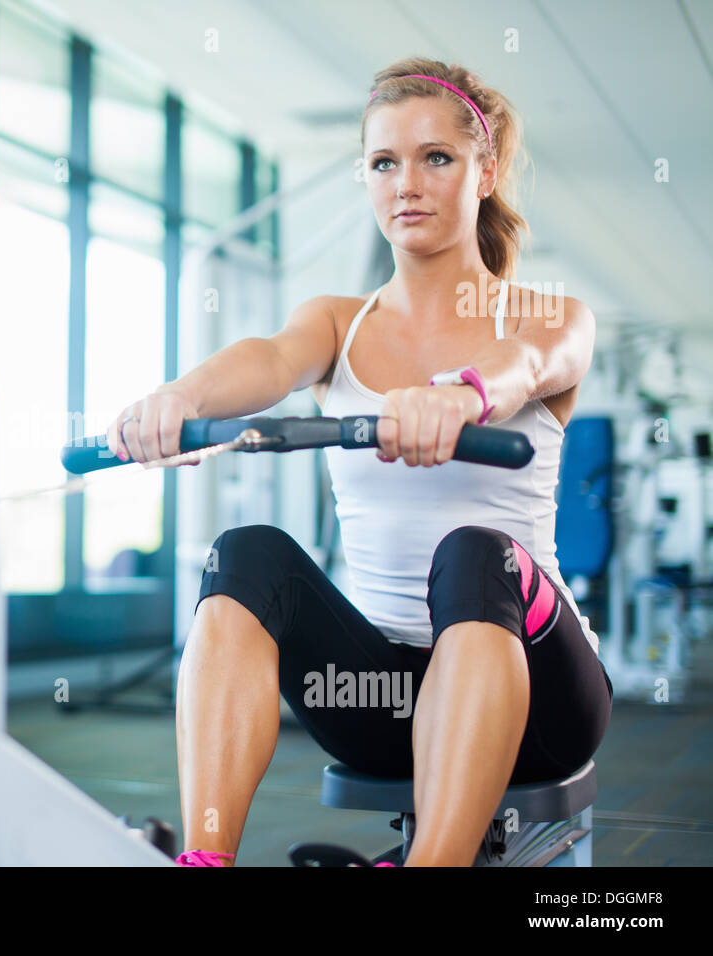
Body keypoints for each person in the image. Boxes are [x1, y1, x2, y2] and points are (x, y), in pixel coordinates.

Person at [105, 57, 612, 867]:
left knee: (475, 553)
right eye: (385, 162)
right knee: (246, 555)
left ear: (484, 173)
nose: (406, 182)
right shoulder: (337, 323)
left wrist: (464, 397)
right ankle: (205, 861)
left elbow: (527, 366)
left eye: (436, 158)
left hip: (538, 709)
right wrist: (181, 397)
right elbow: (269, 359)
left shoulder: (551, 317)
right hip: (382, 707)